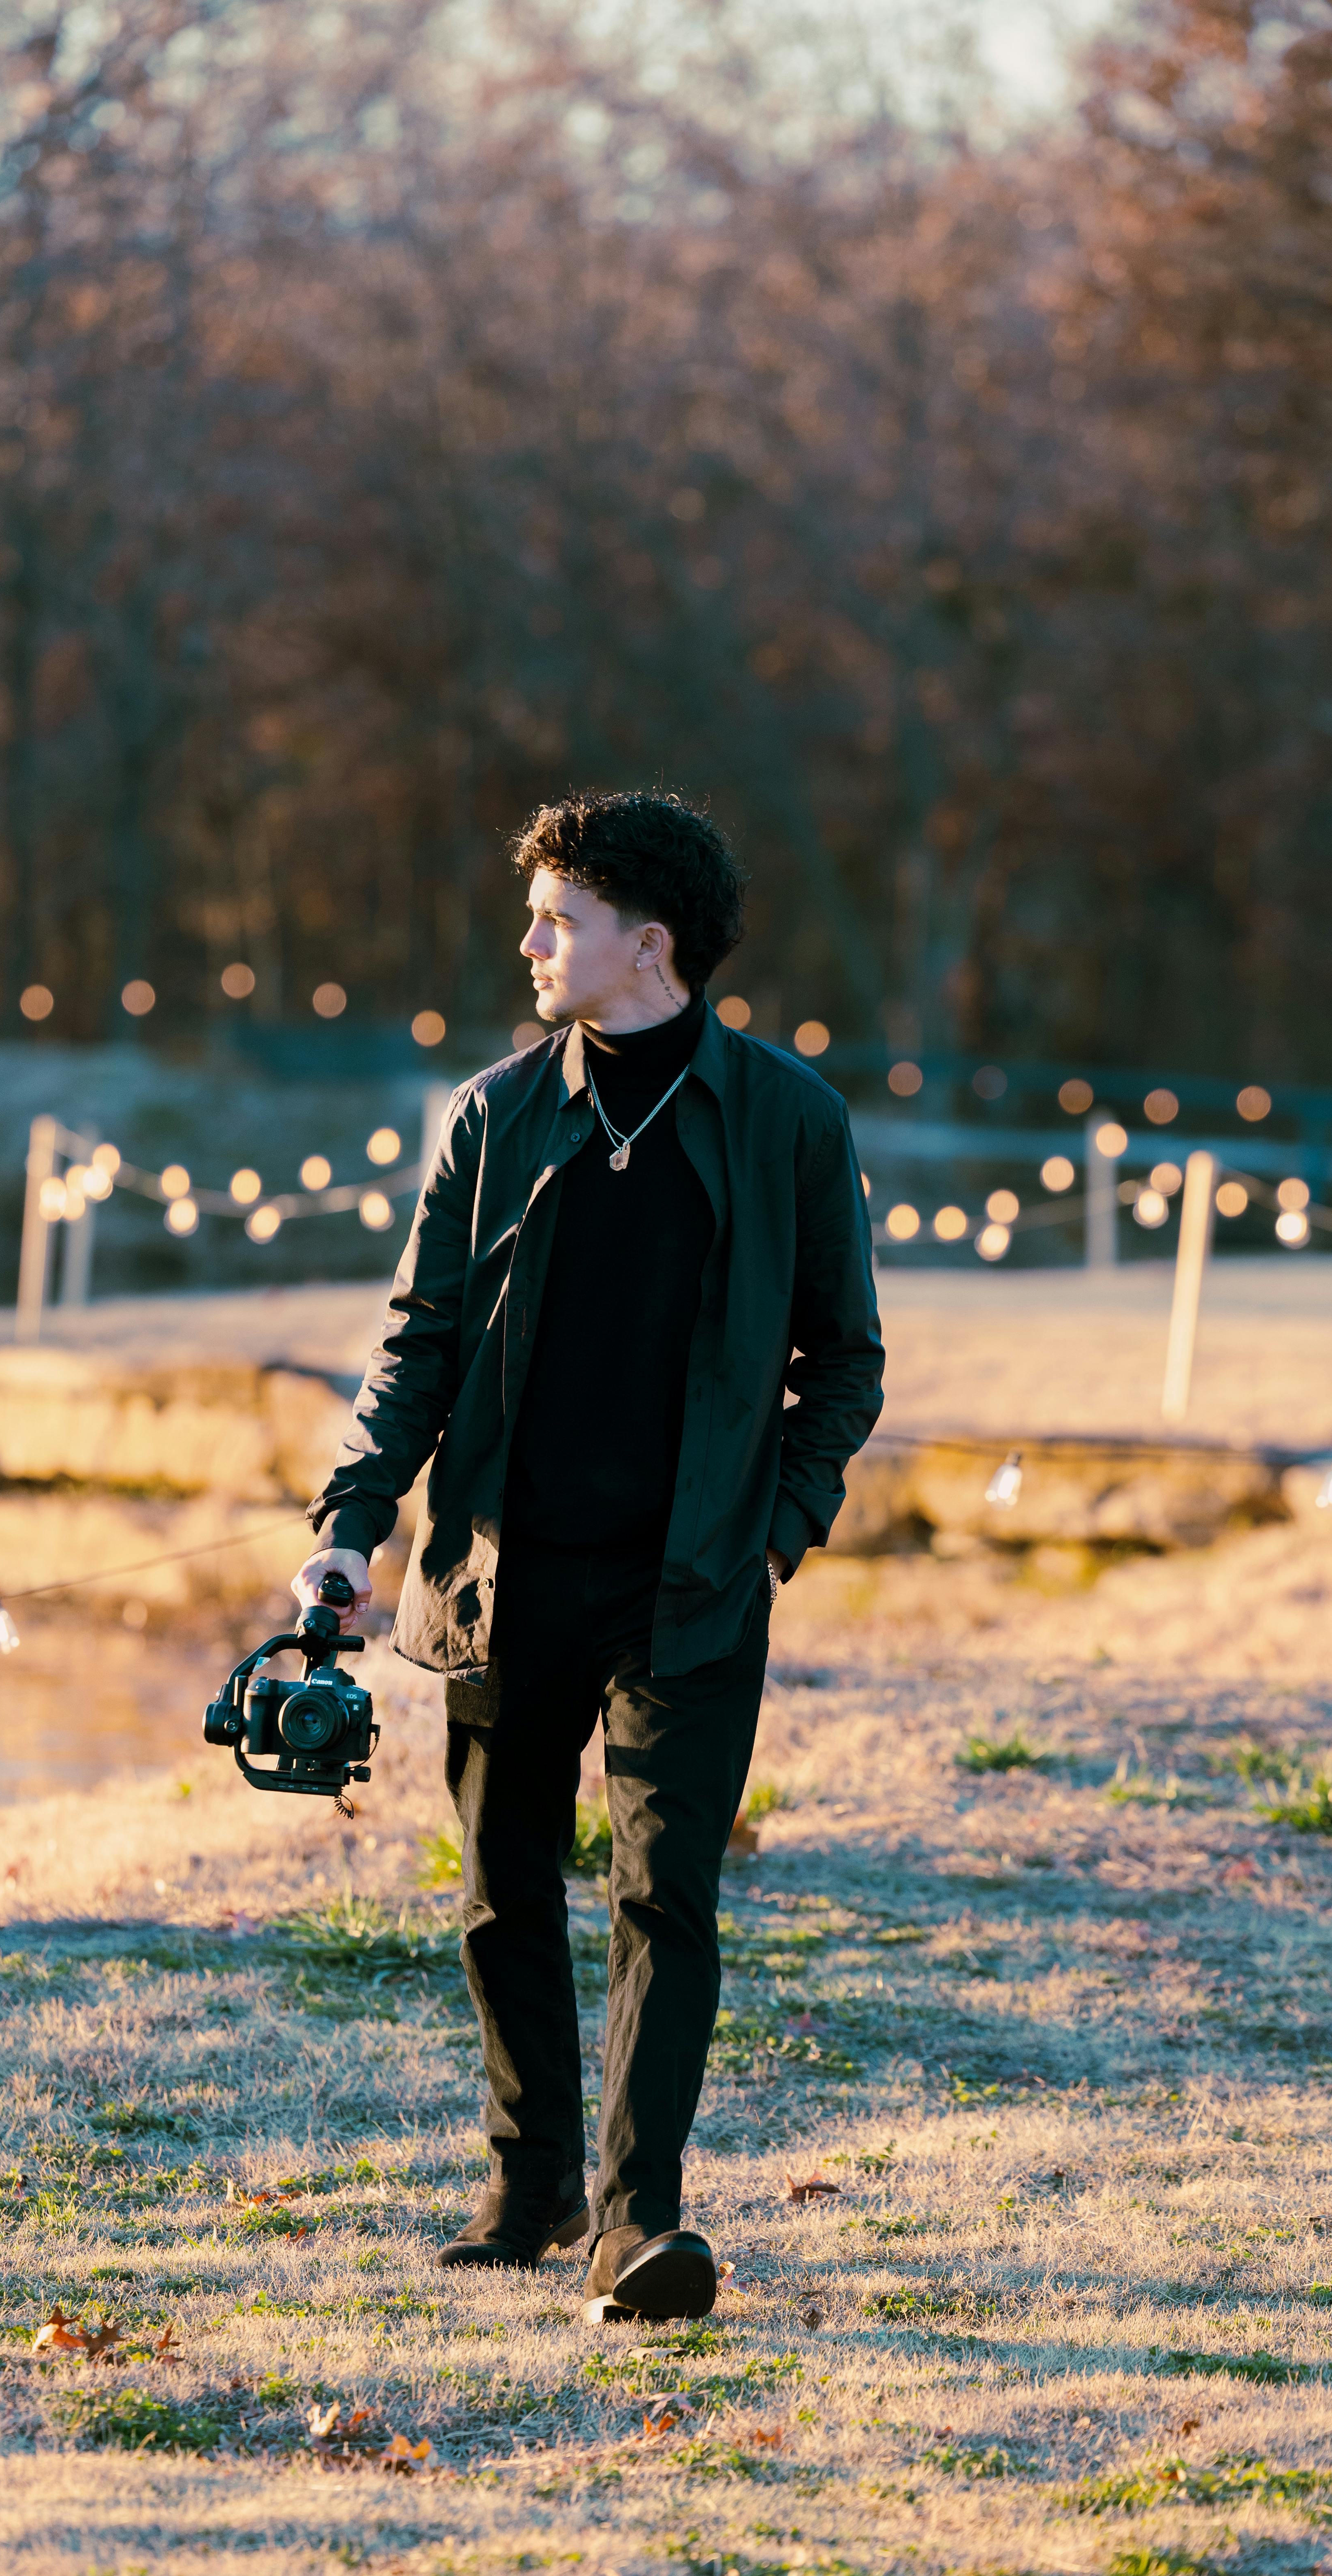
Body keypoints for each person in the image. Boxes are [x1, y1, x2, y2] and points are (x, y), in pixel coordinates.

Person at [290, 790, 884, 2323]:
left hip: (690, 1588)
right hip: (507, 1574)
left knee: (663, 1898)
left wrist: (772, 1534)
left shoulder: (791, 1123)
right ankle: (534, 2177)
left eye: (558, 918)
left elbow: (846, 1365)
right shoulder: (494, 1115)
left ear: (649, 943)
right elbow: (418, 1344)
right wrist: (352, 1533)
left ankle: (640, 2224)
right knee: (501, 1890)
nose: (530, 942)